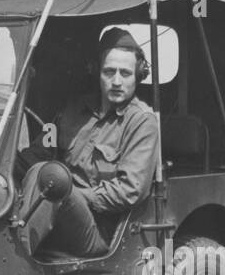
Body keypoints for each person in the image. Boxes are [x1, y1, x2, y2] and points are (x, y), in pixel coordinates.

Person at [15, 28, 159, 259]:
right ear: (97, 72)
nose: (117, 81)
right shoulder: (72, 110)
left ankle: (17, 258)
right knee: (39, 174)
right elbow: (40, 152)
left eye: (126, 73)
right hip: (56, 208)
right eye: (109, 72)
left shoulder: (141, 121)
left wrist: (76, 194)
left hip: (98, 232)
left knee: (50, 176)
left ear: (138, 76)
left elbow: (130, 190)